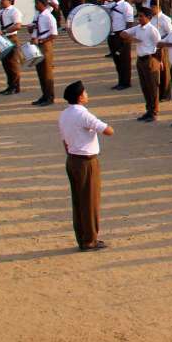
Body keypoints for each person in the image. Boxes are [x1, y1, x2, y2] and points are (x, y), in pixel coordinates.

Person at [58, 81, 114, 252]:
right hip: (86, 161)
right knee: (90, 201)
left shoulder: (64, 114)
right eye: (85, 92)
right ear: (80, 97)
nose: (87, 95)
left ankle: (82, 237)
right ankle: (90, 240)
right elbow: (108, 130)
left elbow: (65, 142)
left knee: (78, 201)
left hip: (72, 159)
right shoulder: (83, 114)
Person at [122, 7, 163, 123]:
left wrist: (159, 61)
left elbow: (159, 45)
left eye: (141, 16)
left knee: (152, 87)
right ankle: (149, 110)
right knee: (145, 87)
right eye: (139, 16)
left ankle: (154, 112)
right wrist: (132, 38)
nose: (139, 18)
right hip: (141, 59)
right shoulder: (138, 28)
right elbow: (123, 33)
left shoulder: (152, 30)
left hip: (150, 59)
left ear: (148, 18)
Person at [29, 0, 58, 105]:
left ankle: (50, 97)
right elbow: (34, 30)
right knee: (40, 71)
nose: (35, 5)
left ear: (41, 3)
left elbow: (54, 34)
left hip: (45, 46)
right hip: (37, 45)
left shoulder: (49, 17)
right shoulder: (38, 16)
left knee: (47, 72)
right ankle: (44, 95)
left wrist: (40, 41)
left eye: (36, 3)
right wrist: (31, 29)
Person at [0, 0, 22, 95]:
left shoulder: (14, 11)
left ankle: (15, 87)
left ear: (10, 0)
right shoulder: (1, 11)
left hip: (11, 38)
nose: (1, 1)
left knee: (12, 64)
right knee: (5, 64)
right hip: (2, 39)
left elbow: (18, 25)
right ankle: (10, 86)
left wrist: (5, 31)